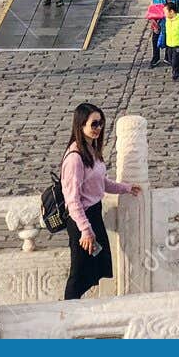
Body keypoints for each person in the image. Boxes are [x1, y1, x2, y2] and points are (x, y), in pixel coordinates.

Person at [60, 103, 140, 300]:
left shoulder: (90, 150)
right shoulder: (75, 159)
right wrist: (86, 231)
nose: (99, 128)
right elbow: (72, 200)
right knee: (79, 273)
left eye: (101, 123)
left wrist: (126, 188)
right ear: (80, 125)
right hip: (82, 221)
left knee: (97, 264)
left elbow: (100, 183)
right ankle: (66, 314)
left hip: (94, 215)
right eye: (94, 124)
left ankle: (77, 310)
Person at [157, 0, 179, 81]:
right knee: (170, 59)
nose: (164, 14)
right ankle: (176, 69)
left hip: (178, 43)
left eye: (165, 12)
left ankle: (175, 73)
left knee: (175, 59)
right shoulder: (165, 21)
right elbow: (162, 31)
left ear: (171, 12)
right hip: (169, 43)